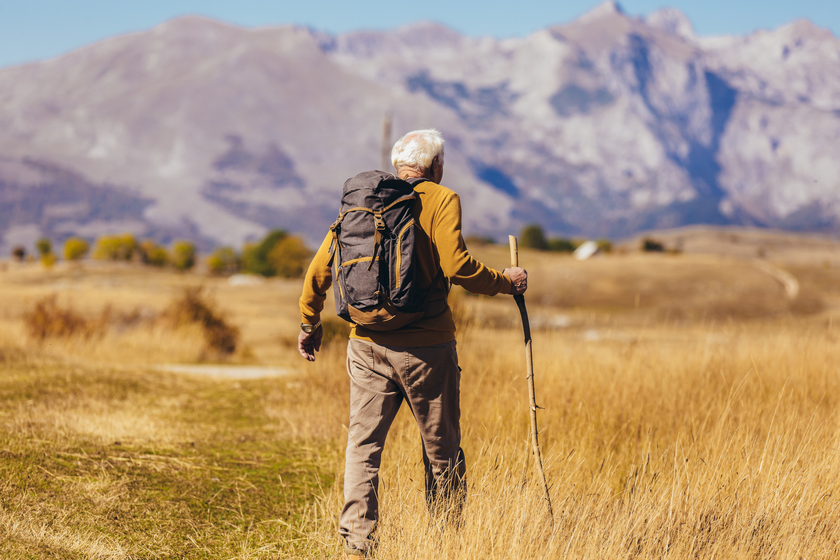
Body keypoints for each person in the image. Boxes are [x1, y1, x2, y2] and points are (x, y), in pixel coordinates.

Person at [297, 129, 527, 558]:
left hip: (365, 344)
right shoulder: (441, 198)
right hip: (427, 346)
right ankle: (446, 539)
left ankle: (358, 544)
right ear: (436, 166)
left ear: (398, 163)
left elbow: (319, 269)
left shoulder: (366, 202)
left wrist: (310, 322)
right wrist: (504, 283)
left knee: (363, 447)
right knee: (442, 450)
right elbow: (457, 266)